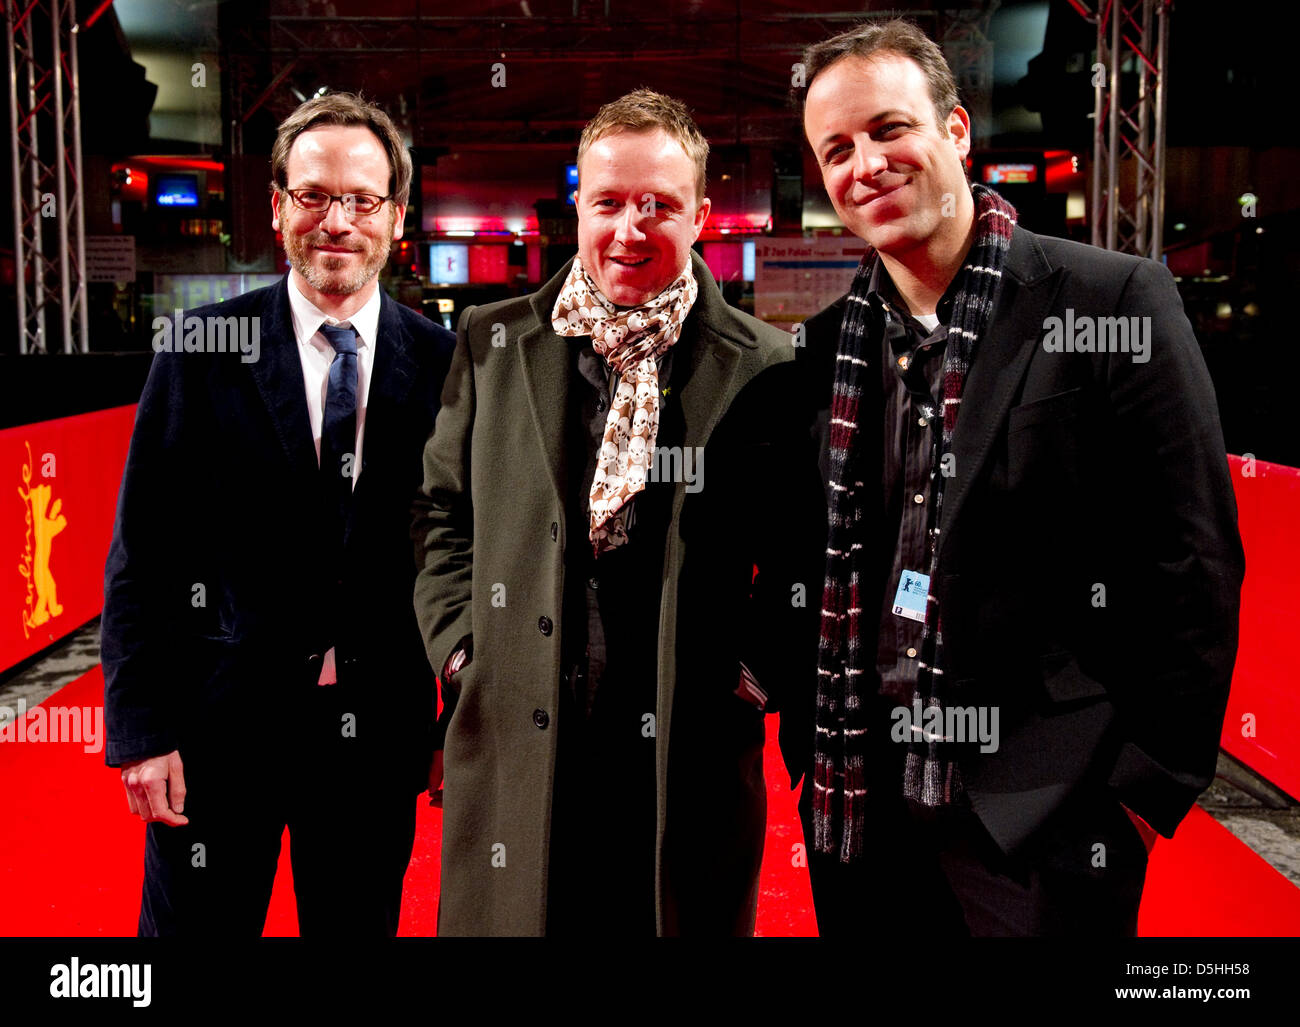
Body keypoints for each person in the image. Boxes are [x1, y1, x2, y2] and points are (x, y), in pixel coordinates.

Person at [797, 20, 1244, 936]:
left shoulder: (1110, 299)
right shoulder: (828, 348)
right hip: (861, 801)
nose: (865, 165)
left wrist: (1138, 787)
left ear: (956, 131)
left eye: (889, 129)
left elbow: (1193, 560)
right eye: (836, 148)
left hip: (1045, 809)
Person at [412, 89, 825, 936]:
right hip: (522, 737)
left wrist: (751, 677)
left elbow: (802, 551)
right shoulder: (492, 341)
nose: (630, 228)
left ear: (701, 214)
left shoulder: (767, 363)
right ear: (579, 207)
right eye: (608, 202)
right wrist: (461, 648)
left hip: (688, 753)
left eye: (659, 205)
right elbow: (438, 512)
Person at [102, 92, 455, 937]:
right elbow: (142, 554)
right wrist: (142, 732)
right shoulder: (200, 349)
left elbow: (463, 551)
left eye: (362, 199)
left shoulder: (449, 361)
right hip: (217, 737)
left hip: (374, 742)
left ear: (395, 214)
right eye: (313, 195)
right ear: (277, 205)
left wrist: (455, 717)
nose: (337, 220)